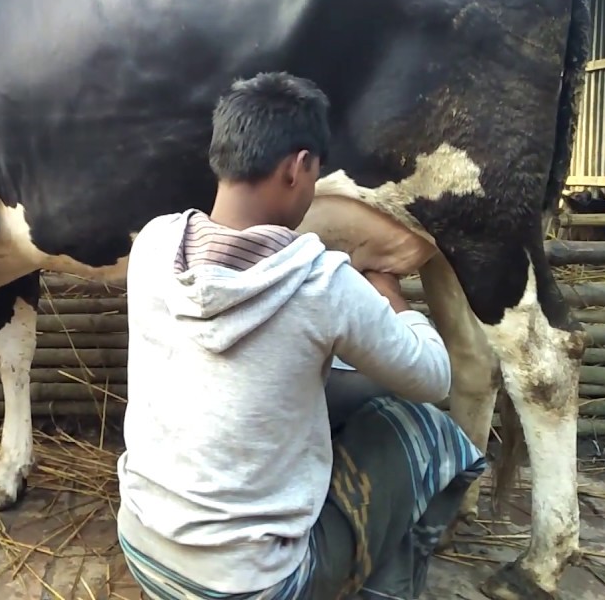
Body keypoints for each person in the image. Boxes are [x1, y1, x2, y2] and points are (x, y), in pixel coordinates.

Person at [115, 71, 487, 599]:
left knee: (336, 391)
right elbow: (433, 376)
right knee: (420, 426)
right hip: (255, 586)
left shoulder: (154, 244)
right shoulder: (323, 282)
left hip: (143, 551)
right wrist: (388, 293)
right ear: (298, 167)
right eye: (315, 174)